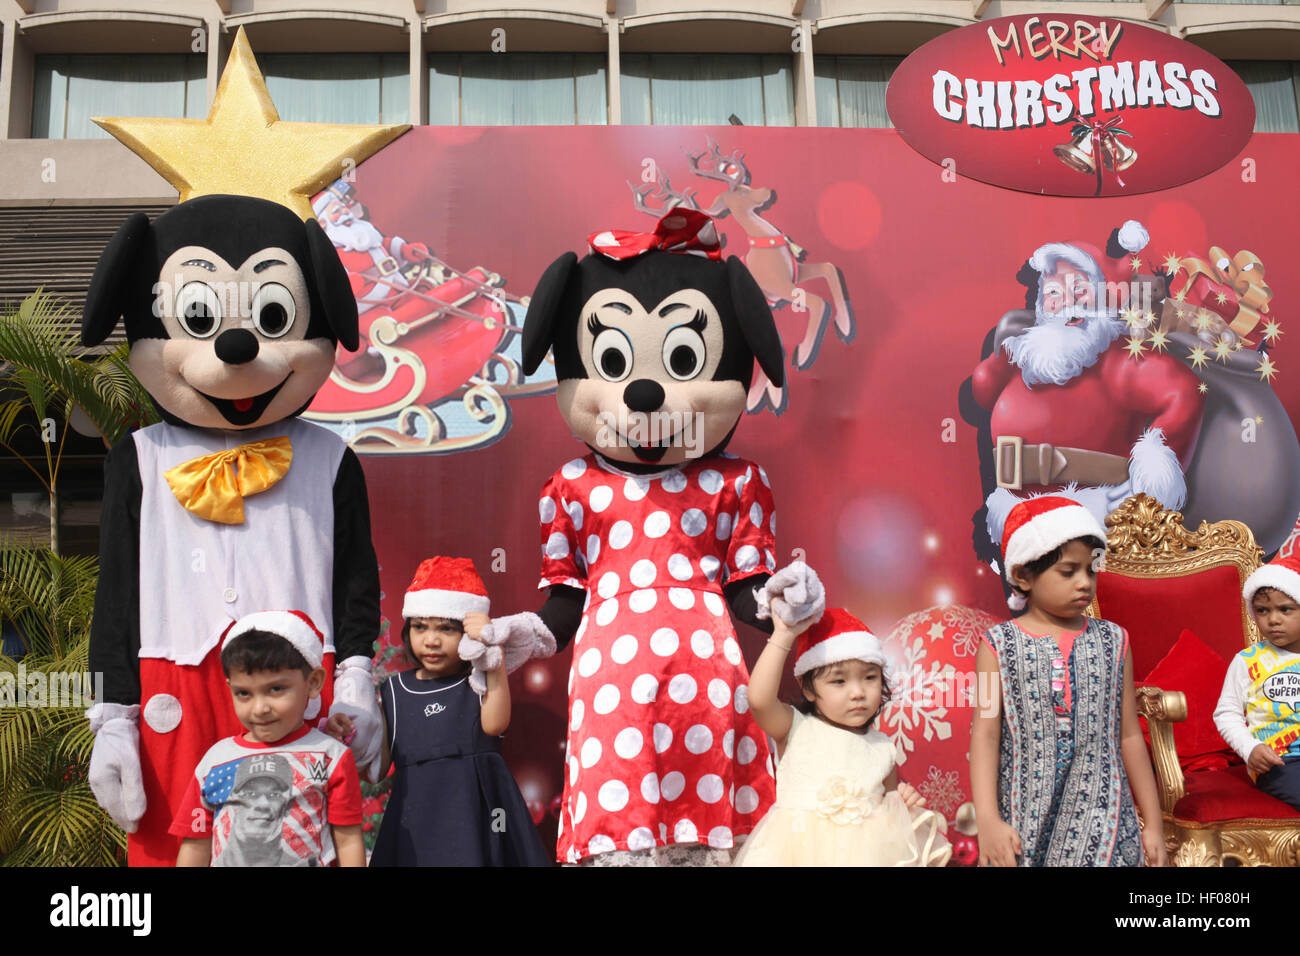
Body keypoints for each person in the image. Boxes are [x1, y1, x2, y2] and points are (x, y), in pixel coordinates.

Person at [971, 495, 1167, 866]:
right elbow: (984, 734)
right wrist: (988, 820)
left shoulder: (1116, 640)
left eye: (1091, 570)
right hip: (1024, 819)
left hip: (1107, 818)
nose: (1084, 583)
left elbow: (1128, 734)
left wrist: (1153, 825)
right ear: (1022, 575)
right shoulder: (993, 646)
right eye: (1068, 571)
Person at [329, 557, 551, 866]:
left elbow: (494, 724)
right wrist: (350, 735)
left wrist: (493, 656)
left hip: (476, 816)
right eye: (420, 627)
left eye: (446, 629)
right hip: (416, 823)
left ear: (468, 634)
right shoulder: (394, 690)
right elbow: (376, 771)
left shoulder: (476, 678)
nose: (431, 640)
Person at [735, 607, 951, 866]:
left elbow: (890, 816)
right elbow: (759, 700)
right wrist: (783, 635)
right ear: (808, 688)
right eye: (839, 681)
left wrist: (903, 805)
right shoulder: (794, 727)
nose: (858, 692)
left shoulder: (882, 748)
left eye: (870, 678)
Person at [172, 611, 364, 867]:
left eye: (275, 689)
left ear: (314, 682)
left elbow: (348, 840)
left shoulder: (331, 757)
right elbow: (196, 843)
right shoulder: (214, 762)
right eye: (244, 693)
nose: (260, 707)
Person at [1213, 553, 1300, 809]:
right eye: (1263, 610)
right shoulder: (1249, 660)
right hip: (1280, 762)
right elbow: (1226, 714)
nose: (1273, 619)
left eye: (1285, 609)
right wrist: (1250, 748)